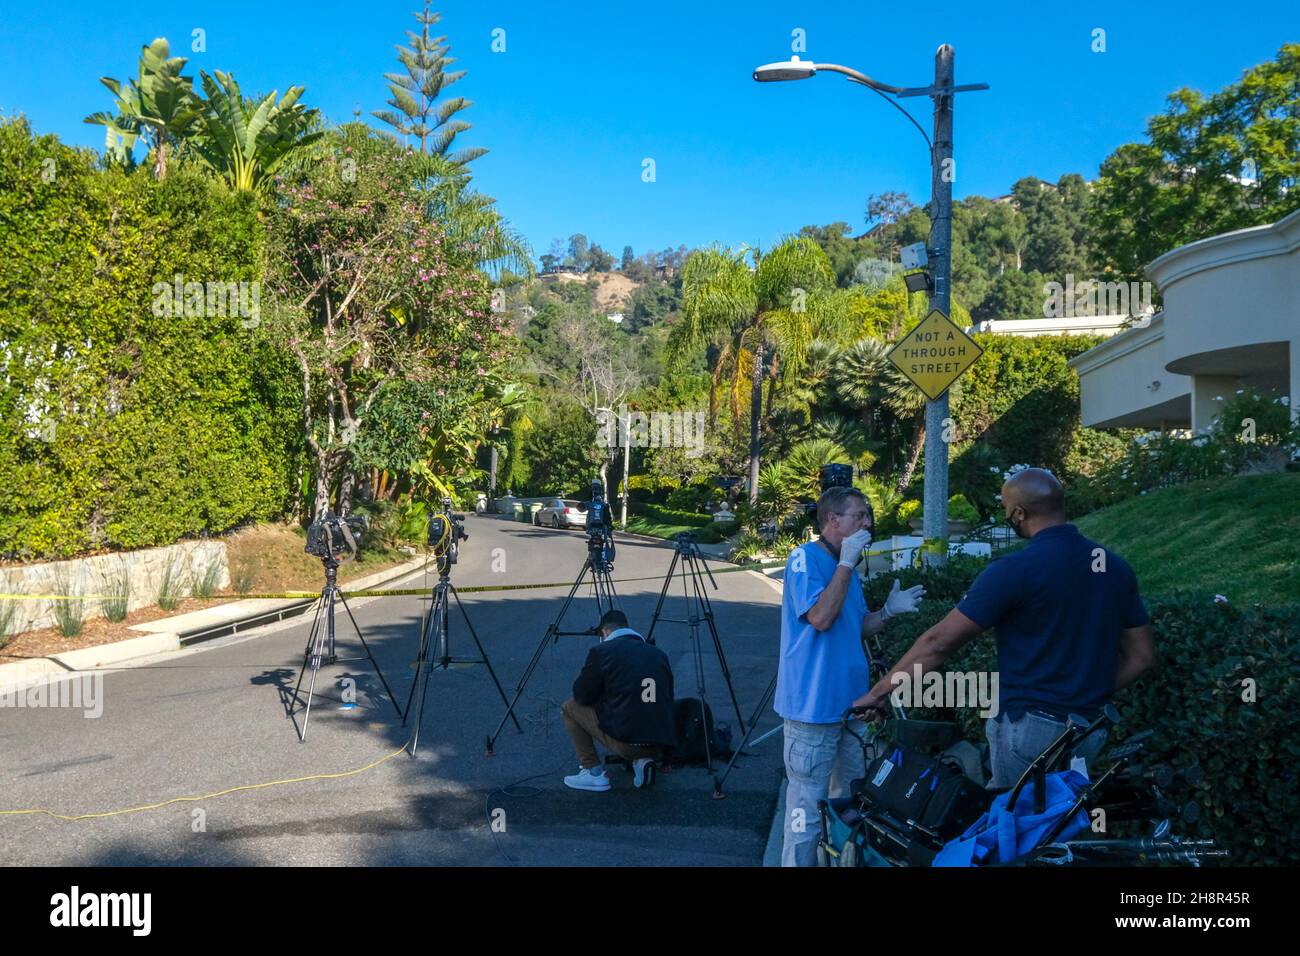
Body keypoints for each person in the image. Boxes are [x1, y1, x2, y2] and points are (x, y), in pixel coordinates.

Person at [853, 468, 1157, 789]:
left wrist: (876, 694)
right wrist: (1087, 693)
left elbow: (938, 642)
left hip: (1031, 730)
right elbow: (1142, 656)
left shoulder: (1014, 570)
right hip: (1090, 728)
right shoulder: (1114, 567)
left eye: (1007, 511)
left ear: (1019, 513)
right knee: (1064, 823)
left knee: (1016, 830)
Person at [777, 486, 926, 866]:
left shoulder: (848, 566)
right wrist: (845, 564)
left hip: (854, 708)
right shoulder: (803, 560)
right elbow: (821, 619)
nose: (868, 522)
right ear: (832, 520)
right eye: (859, 515)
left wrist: (889, 612)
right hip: (812, 711)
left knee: (847, 803)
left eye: (867, 515)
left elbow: (854, 627)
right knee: (806, 808)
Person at [562, 609, 676, 793]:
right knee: (641, 705)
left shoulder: (602, 651)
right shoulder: (658, 653)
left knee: (570, 707)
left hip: (628, 743)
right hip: (659, 744)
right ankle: (642, 761)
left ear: (605, 631)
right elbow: (667, 702)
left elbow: (582, 695)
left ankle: (593, 772)